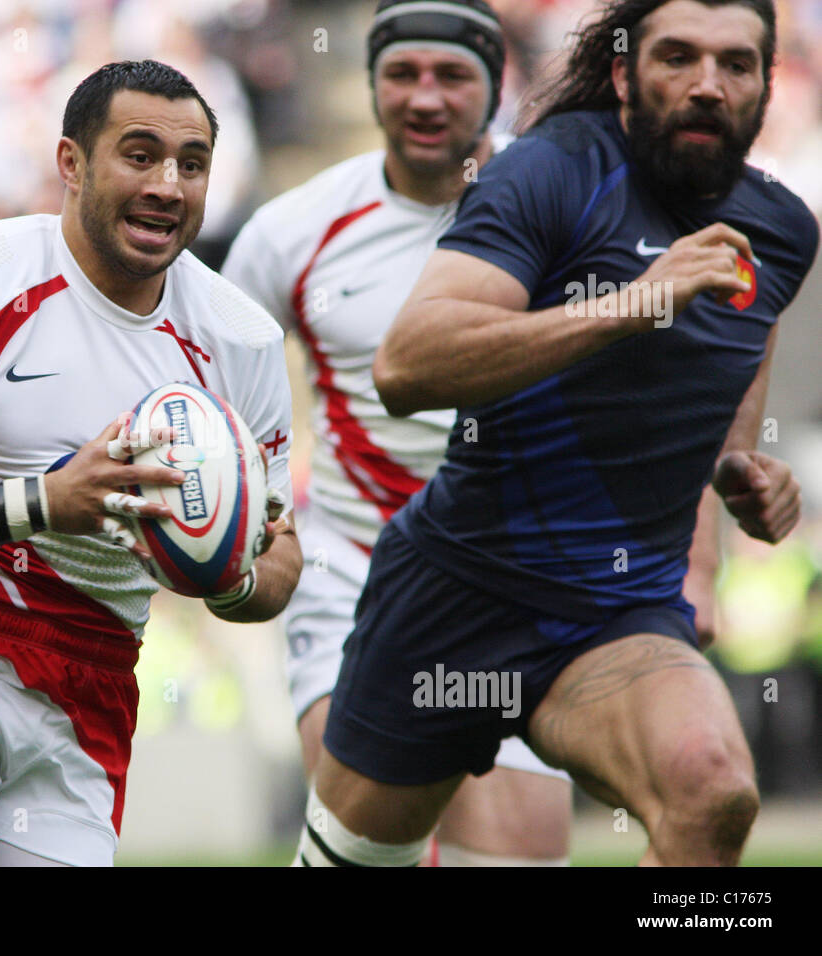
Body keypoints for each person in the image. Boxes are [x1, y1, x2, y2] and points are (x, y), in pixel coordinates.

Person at [300, 0, 819, 867]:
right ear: (623, 72)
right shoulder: (548, 173)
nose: (706, 85)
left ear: (768, 83)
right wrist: (635, 303)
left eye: (736, 64)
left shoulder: (782, 230)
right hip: (455, 599)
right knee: (351, 862)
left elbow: (735, 381)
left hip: (617, 615)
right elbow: (407, 364)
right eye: (678, 57)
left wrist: (738, 477)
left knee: (713, 791)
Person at [0, 59, 301, 867]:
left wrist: (224, 565)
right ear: (70, 164)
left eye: (193, 164)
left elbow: (280, 557)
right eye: (140, 155)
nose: (169, 186)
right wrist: (43, 502)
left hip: (88, 692)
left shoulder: (241, 341)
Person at [225, 0, 589, 866]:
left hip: (508, 583)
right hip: (352, 564)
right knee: (364, 847)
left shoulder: (567, 215)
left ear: (495, 85)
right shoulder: (292, 228)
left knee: (512, 857)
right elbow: (212, 387)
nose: (425, 98)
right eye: (402, 73)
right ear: (371, 83)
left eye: (452, 74)